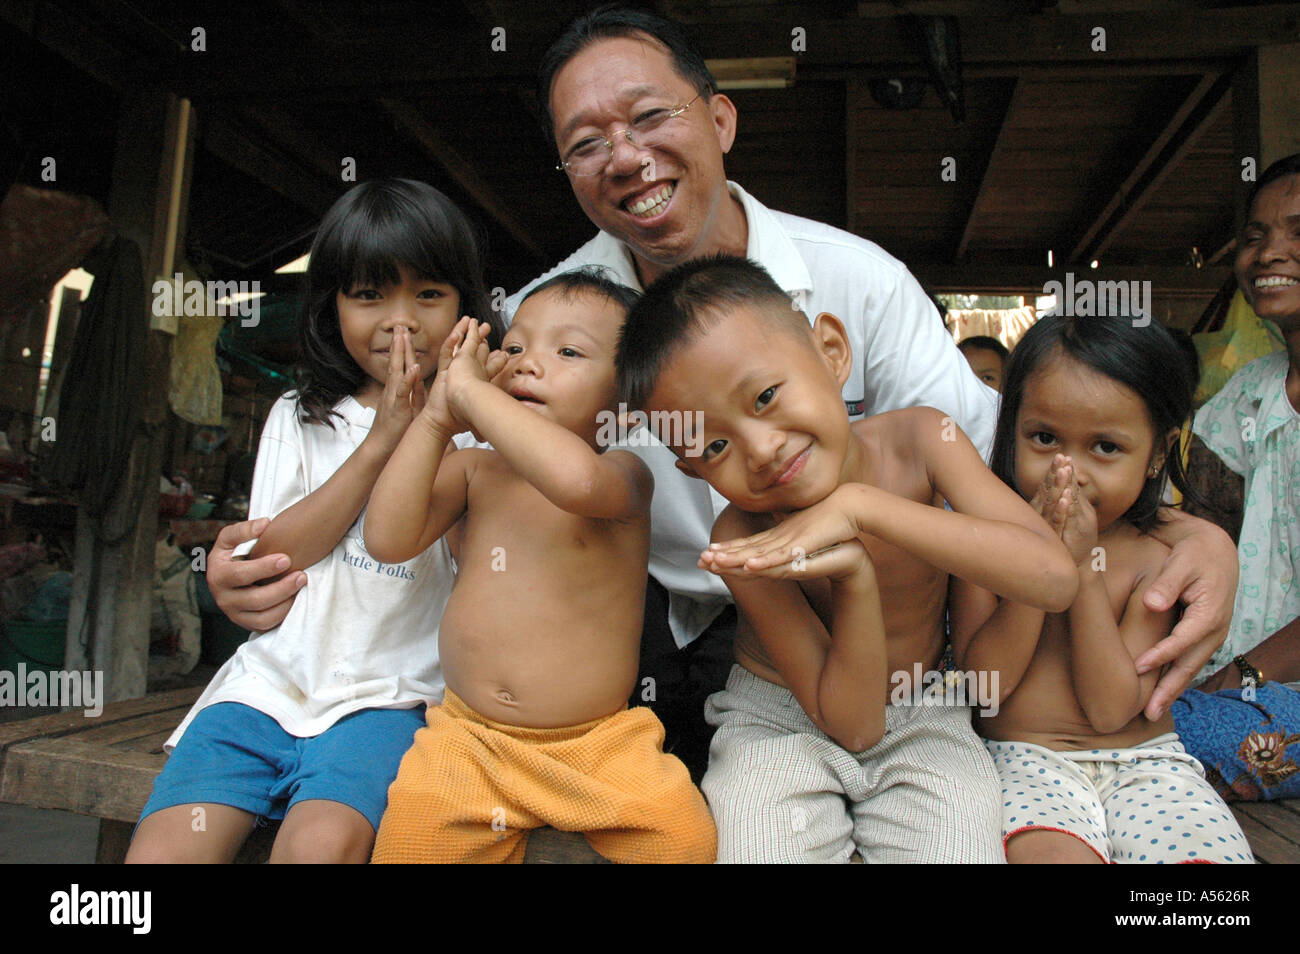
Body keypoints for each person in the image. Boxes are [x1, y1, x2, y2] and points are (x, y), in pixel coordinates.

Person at [204, 6, 1240, 775]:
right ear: (566, 175)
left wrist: (1188, 530)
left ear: (720, 119)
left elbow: (1014, 469)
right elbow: (418, 430)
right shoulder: (551, 322)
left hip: (856, 640)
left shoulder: (856, 286)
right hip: (634, 645)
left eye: (649, 117)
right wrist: (262, 547)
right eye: (584, 145)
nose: (625, 158)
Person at [619, 255, 1078, 863]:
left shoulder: (922, 442)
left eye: (764, 395)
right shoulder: (742, 535)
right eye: (714, 445)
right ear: (693, 469)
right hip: (779, 719)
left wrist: (865, 509)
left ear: (832, 352)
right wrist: (855, 573)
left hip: (923, 710)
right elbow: (853, 725)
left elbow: (1052, 578)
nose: (761, 449)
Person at [127, 180, 503, 863]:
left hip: (389, 703)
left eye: (428, 295)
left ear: (467, 308)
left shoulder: (485, 433)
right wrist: (383, 436)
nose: (401, 322)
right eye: (369, 295)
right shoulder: (301, 416)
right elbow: (277, 553)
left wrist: (442, 415)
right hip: (263, 691)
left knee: (317, 849)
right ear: (332, 306)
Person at [364, 271, 716, 864]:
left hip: (599, 746)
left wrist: (473, 395)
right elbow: (387, 539)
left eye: (568, 351)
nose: (527, 364)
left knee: (686, 840)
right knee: (408, 846)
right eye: (515, 346)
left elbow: (573, 481)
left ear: (626, 407)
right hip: (469, 741)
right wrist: (435, 420)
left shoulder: (626, 475)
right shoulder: (475, 470)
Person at [950, 312, 1252, 863]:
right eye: (1043, 438)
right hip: (1023, 762)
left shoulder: (1155, 559)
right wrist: (1037, 567)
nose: (1069, 469)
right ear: (1011, 429)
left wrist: (1082, 573)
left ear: (1158, 454)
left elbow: (1113, 709)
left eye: (1106, 447)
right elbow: (983, 688)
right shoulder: (983, 547)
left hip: (1150, 766)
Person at [1172, 153, 1300, 801]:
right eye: (1255, 236)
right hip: (1237, 682)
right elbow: (1199, 549)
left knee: (1171, 739)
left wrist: (1235, 681)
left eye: (1298, 232)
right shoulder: (1241, 401)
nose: (1269, 252)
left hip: (1253, 691)